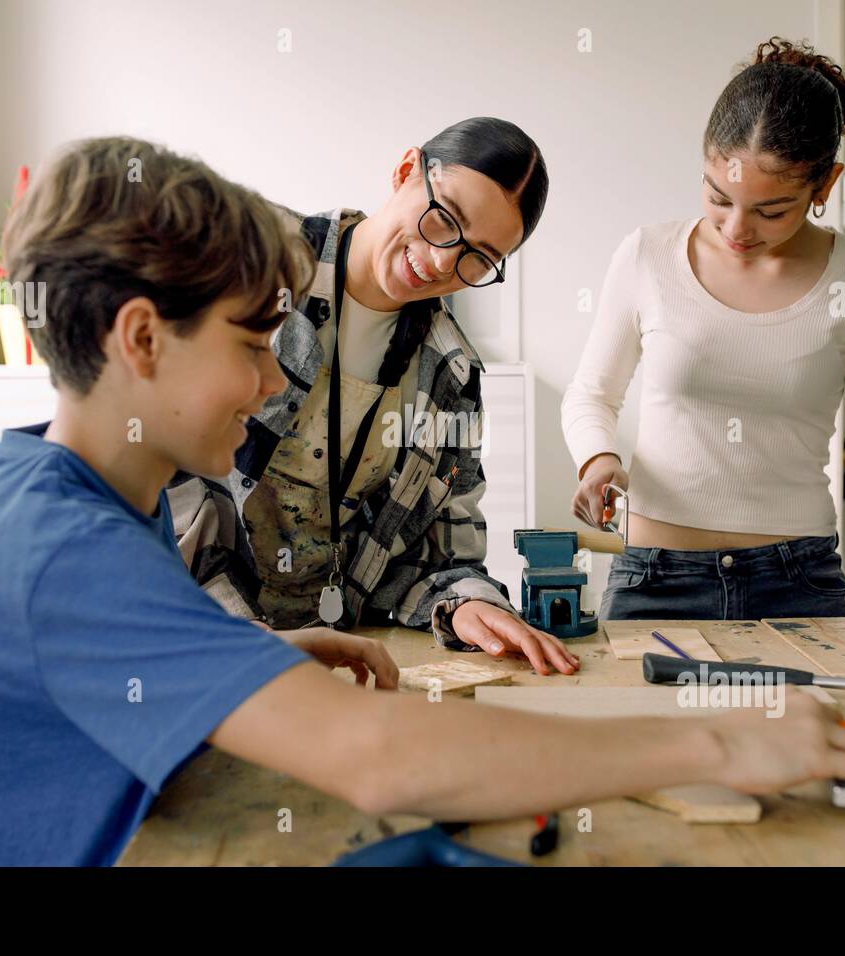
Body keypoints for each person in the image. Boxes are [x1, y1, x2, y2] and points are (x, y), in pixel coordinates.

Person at [0, 136, 845, 865]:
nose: (268, 386)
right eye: (254, 346)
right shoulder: (64, 550)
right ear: (141, 339)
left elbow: (109, 664)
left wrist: (251, 661)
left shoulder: (66, 499)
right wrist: (715, 739)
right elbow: (378, 757)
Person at [563, 38, 845, 633]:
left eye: (772, 211)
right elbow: (592, 395)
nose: (736, 228)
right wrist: (598, 459)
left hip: (798, 581)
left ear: (825, 184)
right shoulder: (648, 255)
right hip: (656, 578)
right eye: (717, 196)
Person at [168, 117, 580, 676]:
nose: (441, 262)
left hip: (341, 654)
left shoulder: (451, 376)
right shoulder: (250, 259)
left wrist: (466, 602)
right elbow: (160, 469)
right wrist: (242, 638)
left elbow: (441, 548)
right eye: (445, 220)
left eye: (479, 258)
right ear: (407, 170)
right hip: (198, 639)